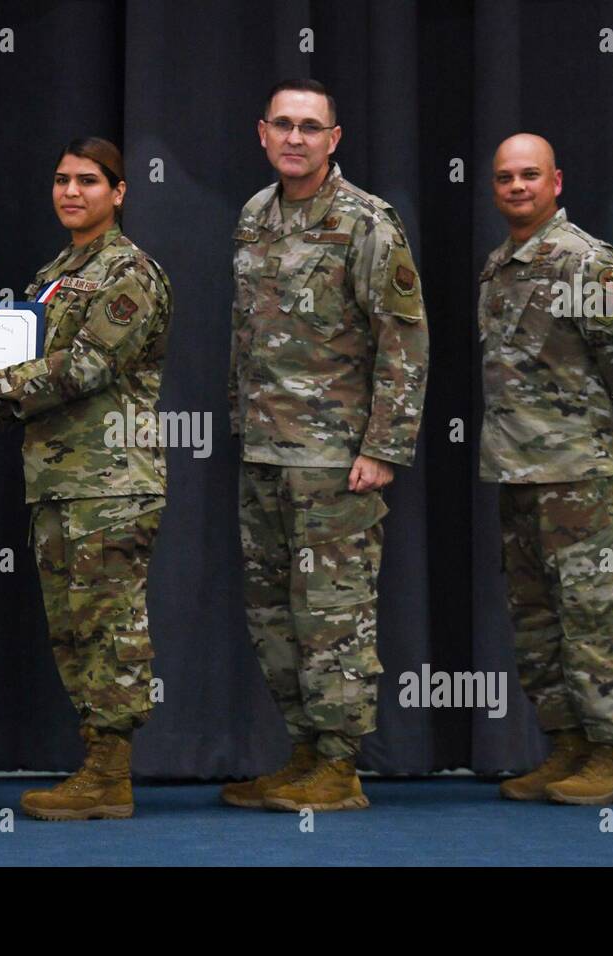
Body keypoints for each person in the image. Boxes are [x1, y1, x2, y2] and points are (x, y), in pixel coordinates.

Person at [0, 137, 172, 821]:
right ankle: (97, 766)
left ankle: (111, 776)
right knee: (75, 629)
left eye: (90, 181)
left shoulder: (128, 273)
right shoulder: (57, 272)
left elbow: (85, 367)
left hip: (110, 480)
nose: (72, 192)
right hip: (60, 479)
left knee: (110, 626)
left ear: (120, 192)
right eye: (62, 179)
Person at [223, 80, 429, 812]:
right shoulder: (254, 217)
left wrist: (384, 446)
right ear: (262, 131)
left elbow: (404, 340)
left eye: (311, 127)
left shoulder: (367, 222)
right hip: (264, 453)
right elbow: (245, 338)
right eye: (283, 124)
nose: (296, 138)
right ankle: (304, 751)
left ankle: (340, 768)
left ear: (334, 139)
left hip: (336, 461)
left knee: (332, 615)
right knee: (272, 615)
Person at [481, 133, 613, 804]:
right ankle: (570, 746)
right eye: (504, 177)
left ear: (557, 182)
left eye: (530, 175)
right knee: (538, 622)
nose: (517, 186)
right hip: (518, 472)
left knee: (597, 615)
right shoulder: (498, 265)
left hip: (582, 472)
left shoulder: (590, 263)